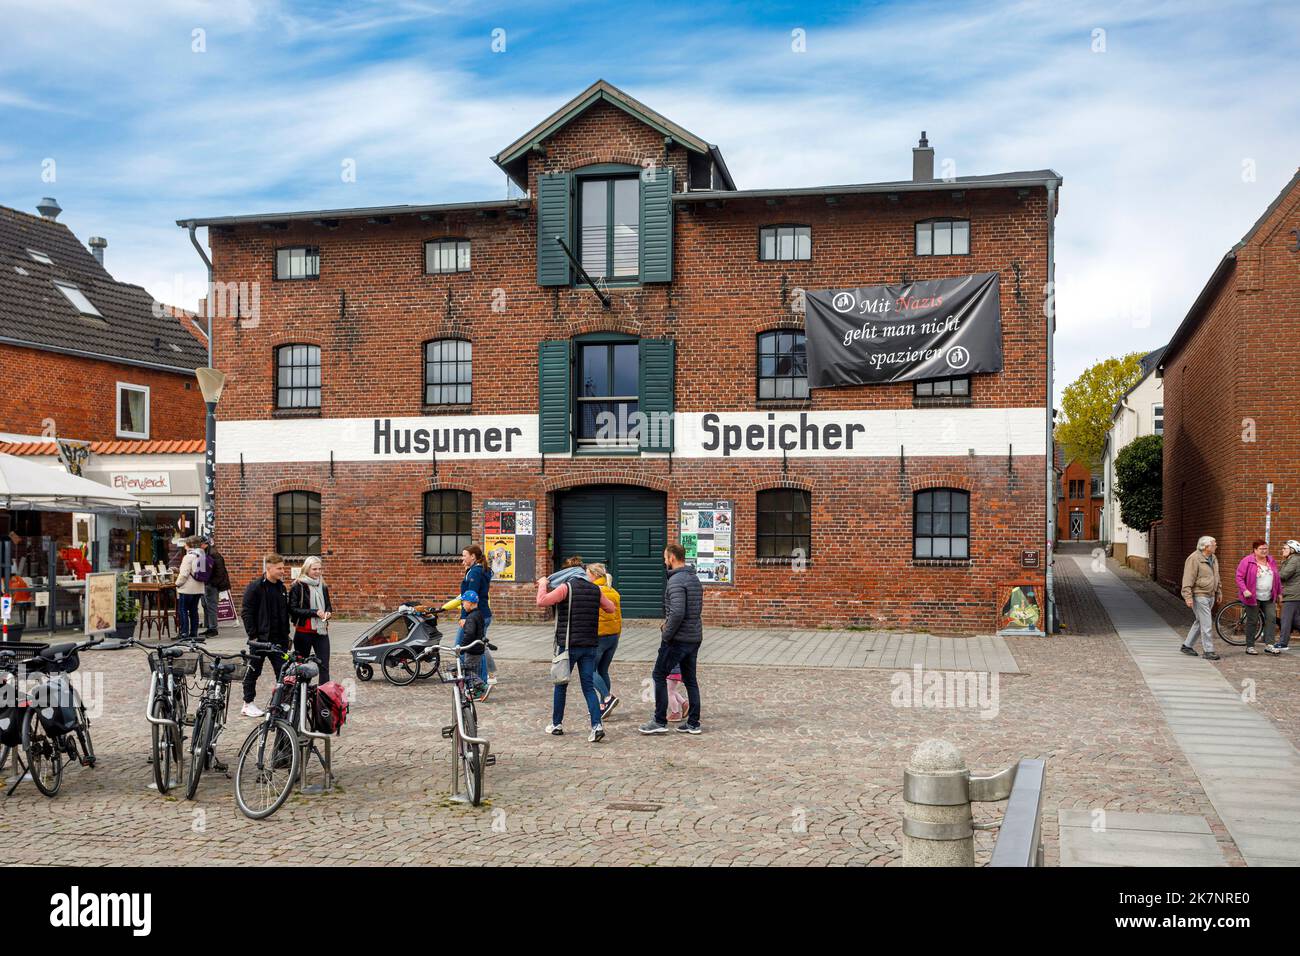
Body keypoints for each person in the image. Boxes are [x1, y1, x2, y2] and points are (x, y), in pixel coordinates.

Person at [537, 556, 615, 743]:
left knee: (561, 684)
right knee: (588, 687)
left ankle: (557, 724)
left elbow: (542, 601)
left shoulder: (566, 587)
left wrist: (542, 583)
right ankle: (596, 726)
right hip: (589, 645)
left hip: (568, 646)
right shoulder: (595, 589)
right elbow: (611, 608)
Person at [641, 544, 703, 735]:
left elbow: (677, 612)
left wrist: (667, 634)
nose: (664, 561)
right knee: (690, 680)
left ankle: (659, 720)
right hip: (694, 636)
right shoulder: (693, 578)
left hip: (678, 638)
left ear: (672, 558)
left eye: (665, 558)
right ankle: (693, 723)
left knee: (659, 675)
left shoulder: (676, 581)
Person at [240, 554, 292, 718]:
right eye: (279, 568)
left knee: (284, 671)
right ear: (268, 568)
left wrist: (287, 636)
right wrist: (253, 636)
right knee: (253, 671)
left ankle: (282, 701)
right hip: (260, 641)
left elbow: (284, 613)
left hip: (279, 640)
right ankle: (248, 704)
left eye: (283, 568)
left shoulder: (282, 588)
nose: (283, 571)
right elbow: (246, 612)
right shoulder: (255, 587)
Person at [585, 562, 623, 719]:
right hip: (613, 636)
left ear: (594, 575)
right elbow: (618, 616)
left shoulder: (594, 591)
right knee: (603, 670)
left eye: (587, 573)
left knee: (589, 671)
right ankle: (604, 706)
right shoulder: (612, 591)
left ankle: (608, 697)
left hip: (599, 636)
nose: (586, 576)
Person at [288, 555, 333, 683]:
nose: (318, 572)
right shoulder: (298, 585)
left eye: (319, 569)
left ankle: (323, 698)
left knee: (324, 666)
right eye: (314, 569)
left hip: (321, 632)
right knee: (302, 667)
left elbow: (328, 605)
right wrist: (314, 612)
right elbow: (292, 609)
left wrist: (328, 612)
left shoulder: (323, 585)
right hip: (303, 632)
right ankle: (302, 697)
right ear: (307, 569)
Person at [457, 546, 494, 697]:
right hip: (482, 615)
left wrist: (464, 616)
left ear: (473, 556)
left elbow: (470, 595)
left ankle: (476, 684)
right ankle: (483, 681)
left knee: (459, 648)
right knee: (479, 648)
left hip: (475, 616)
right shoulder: (478, 570)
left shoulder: (475, 572)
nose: (462, 558)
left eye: (464, 555)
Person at [1180, 535, 1223, 660]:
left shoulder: (1213, 558)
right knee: (1206, 623)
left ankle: (1187, 646)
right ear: (1206, 546)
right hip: (1199, 595)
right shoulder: (1194, 559)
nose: (1216, 545)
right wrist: (1187, 596)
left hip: (1210, 594)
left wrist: (1219, 591)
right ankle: (1208, 651)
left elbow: (1217, 576)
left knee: (1200, 621)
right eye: (1214, 544)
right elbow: (1188, 578)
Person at [1235, 539, 1278, 655]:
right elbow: (1239, 577)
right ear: (1255, 550)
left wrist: (1279, 592)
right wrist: (1244, 590)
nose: (1265, 551)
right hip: (1253, 597)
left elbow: (1277, 578)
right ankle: (1250, 646)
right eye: (1262, 549)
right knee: (1252, 621)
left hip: (1269, 596)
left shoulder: (1271, 560)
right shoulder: (1247, 561)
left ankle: (1269, 645)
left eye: (1266, 548)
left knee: (1271, 618)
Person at [456, 590, 488, 697]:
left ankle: (482, 685)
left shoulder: (470, 618)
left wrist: (462, 648)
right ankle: (477, 692)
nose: (462, 605)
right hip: (478, 648)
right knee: (473, 670)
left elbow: (469, 634)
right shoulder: (479, 614)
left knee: (467, 671)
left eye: (463, 602)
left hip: (472, 650)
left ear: (470, 603)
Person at [174, 536, 206, 641]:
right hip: (199, 588)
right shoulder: (202, 555)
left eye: (186, 544)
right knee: (193, 610)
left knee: (182, 610)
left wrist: (177, 584)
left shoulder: (188, 557)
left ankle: (184, 633)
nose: (184, 545)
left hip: (187, 589)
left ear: (190, 545)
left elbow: (184, 574)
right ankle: (193, 633)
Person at [1271, 539, 1300, 655]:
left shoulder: (1294, 560)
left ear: (1292, 550)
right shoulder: (1290, 560)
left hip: (1293, 594)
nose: (1282, 550)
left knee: (1286, 619)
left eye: (1285, 548)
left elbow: (1283, 575)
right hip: (1293, 593)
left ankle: (1283, 643)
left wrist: (1269, 573)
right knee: (1296, 620)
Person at [201, 536, 230, 637]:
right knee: (206, 605)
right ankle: (209, 627)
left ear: (205, 544)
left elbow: (220, 572)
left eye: (199, 545)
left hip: (211, 584)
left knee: (211, 606)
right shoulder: (208, 553)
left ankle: (213, 629)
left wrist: (212, 583)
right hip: (208, 583)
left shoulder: (213, 554)